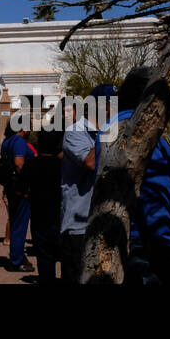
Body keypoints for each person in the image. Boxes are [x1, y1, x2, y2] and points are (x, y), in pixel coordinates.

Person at [96, 68, 170, 284]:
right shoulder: (137, 129)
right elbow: (152, 195)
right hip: (149, 242)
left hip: (137, 238)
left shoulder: (117, 126)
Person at [60, 84, 114, 283]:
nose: (113, 110)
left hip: (100, 223)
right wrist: (106, 132)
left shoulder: (108, 132)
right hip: (77, 227)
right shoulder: (75, 132)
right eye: (110, 105)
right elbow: (91, 163)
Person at [19, 127, 64, 283]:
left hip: (39, 216)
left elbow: (21, 189)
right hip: (61, 215)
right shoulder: (63, 165)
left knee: (44, 256)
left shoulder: (32, 164)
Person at [1, 121, 36, 272]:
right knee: (20, 225)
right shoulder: (19, 141)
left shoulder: (7, 141)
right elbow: (19, 164)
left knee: (15, 222)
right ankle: (17, 259)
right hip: (21, 189)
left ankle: (16, 256)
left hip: (11, 187)